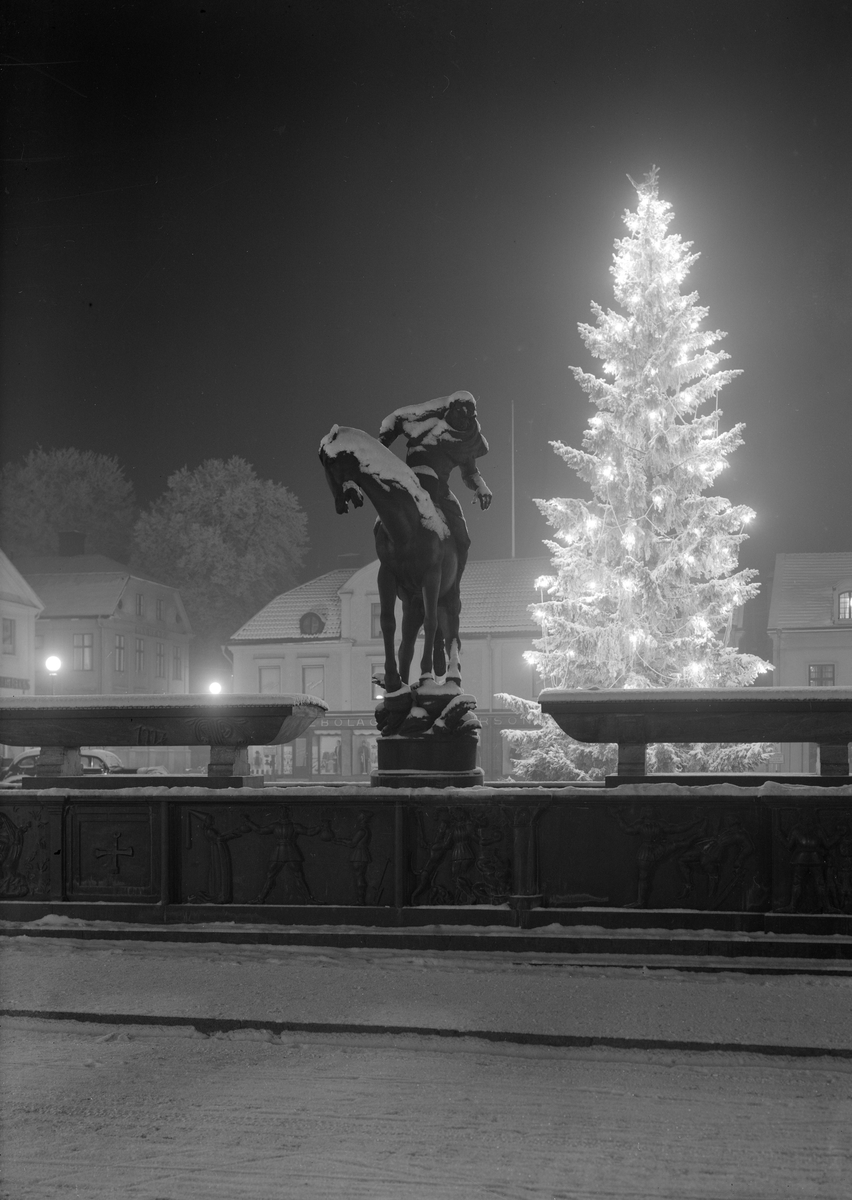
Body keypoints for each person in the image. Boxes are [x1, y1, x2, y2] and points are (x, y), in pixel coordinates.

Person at [379, 390, 492, 577]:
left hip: (439, 490)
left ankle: (453, 585)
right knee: (386, 519)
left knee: (462, 539)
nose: (463, 422)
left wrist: (480, 486)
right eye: (459, 416)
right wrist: (381, 446)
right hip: (411, 484)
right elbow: (394, 420)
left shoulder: (467, 439)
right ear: (451, 411)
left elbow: (469, 472)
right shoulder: (426, 419)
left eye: (468, 418)